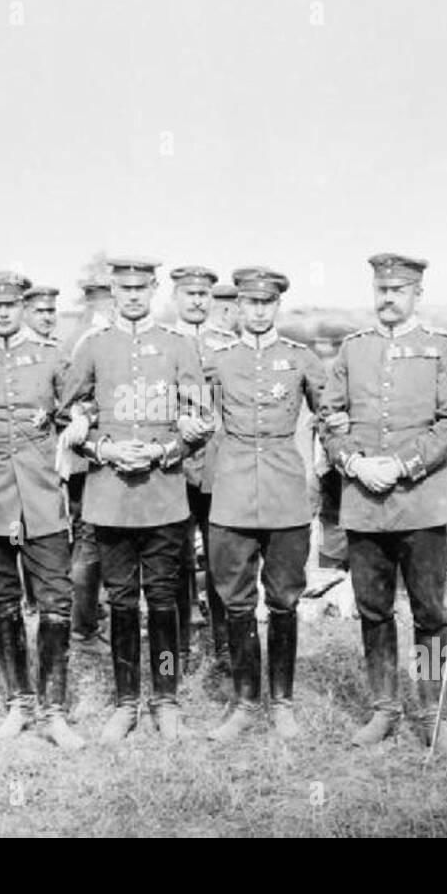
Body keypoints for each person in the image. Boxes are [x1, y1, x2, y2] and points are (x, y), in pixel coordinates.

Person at [318, 253, 447, 756]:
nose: (387, 299)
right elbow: (329, 418)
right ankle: (384, 709)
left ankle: (432, 712)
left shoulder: (440, 347)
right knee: (373, 609)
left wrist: (401, 467)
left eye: (398, 291)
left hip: (420, 502)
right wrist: (355, 464)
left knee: (428, 612)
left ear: (416, 295)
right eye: (381, 290)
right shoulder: (352, 350)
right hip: (363, 502)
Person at [59, 256, 209, 742]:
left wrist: (167, 448)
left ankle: (165, 697)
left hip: (163, 495)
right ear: (113, 293)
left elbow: (201, 418)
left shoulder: (177, 346)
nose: (132, 297)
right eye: (123, 290)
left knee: (164, 602)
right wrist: (101, 446)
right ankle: (126, 701)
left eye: (141, 289)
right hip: (110, 496)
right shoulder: (95, 347)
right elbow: (64, 414)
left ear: (153, 291)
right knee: (122, 602)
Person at [0, 271, 84, 750]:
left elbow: (76, 413)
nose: (3, 313)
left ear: (23, 307)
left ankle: (54, 711)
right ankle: (18, 702)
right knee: (3, 602)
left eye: (11, 305)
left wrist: (78, 425)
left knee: (55, 602)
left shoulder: (51, 356)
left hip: (44, 499)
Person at [202, 267, 326, 741]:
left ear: (278, 306)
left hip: (284, 493)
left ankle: (283, 702)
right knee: (235, 601)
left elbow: (330, 414)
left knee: (284, 600)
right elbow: (189, 408)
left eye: (266, 303)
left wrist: (327, 467)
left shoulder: (299, 358)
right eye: (249, 303)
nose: (257, 311)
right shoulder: (218, 360)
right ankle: (243, 701)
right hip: (231, 493)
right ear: (237, 307)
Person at [168, 265, 238, 674]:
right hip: (173, 469)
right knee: (174, 561)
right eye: (188, 294)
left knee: (221, 559)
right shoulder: (160, 343)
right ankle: (175, 650)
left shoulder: (226, 345)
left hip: (217, 466)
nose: (196, 301)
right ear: (174, 297)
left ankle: (224, 644)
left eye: (203, 295)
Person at [60, 277, 115, 652]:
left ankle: (90, 617)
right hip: (89, 455)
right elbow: (78, 400)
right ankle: (83, 628)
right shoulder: (93, 339)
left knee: (86, 540)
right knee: (90, 542)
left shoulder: (76, 334)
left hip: (82, 454)